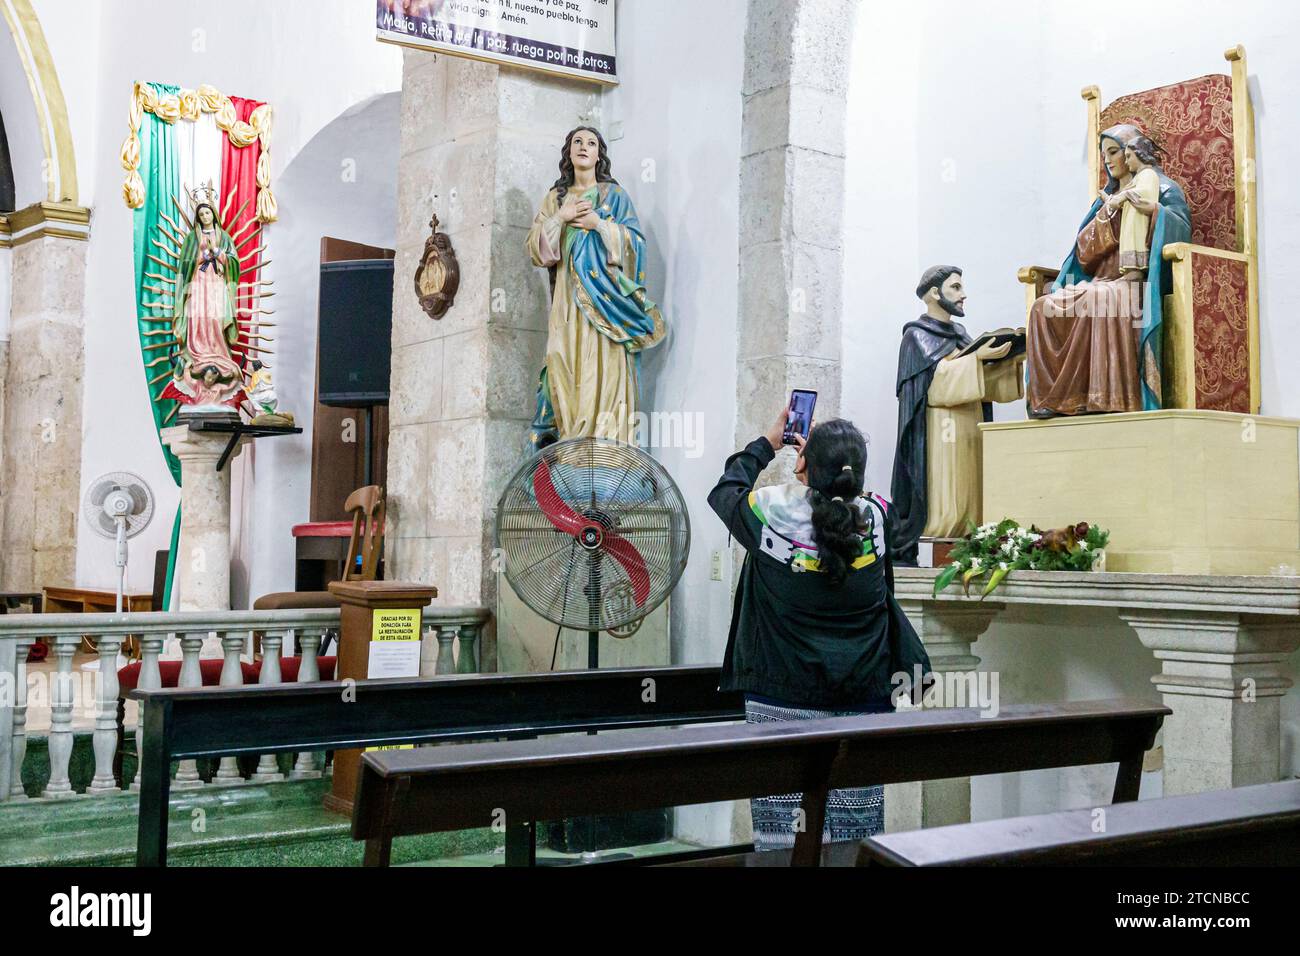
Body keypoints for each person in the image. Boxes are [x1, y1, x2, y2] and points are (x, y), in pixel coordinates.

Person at [708, 410, 931, 852]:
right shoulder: (878, 520)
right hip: (864, 701)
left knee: (784, 841)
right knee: (857, 836)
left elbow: (726, 492)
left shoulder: (769, 513)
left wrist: (768, 444)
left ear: (804, 465)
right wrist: (830, 460)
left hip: (782, 699)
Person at [1026, 125, 1191, 416]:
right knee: (1042, 309)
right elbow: (1084, 253)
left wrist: (1152, 212)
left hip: (1137, 280)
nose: (1109, 161)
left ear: (1133, 153)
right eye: (1104, 156)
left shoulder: (1163, 189)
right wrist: (1107, 220)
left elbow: (1181, 229)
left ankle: (1107, 399)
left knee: (1100, 301)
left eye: (1114, 152)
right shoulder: (1105, 200)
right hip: (1099, 278)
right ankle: (1057, 400)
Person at [526, 126, 667, 449]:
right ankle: (574, 448)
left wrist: (599, 225)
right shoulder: (555, 199)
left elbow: (636, 246)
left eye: (591, 143)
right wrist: (560, 218)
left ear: (599, 154)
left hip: (607, 306)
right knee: (563, 365)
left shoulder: (613, 197)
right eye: (577, 142)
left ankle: (606, 453)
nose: (583, 147)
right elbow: (536, 250)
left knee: (603, 372)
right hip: (567, 304)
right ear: (569, 153)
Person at [891, 265, 1024, 565]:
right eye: (955, 288)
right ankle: (943, 547)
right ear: (934, 293)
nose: (964, 295)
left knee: (970, 498)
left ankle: (968, 543)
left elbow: (980, 386)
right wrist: (976, 359)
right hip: (942, 434)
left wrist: (1007, 361)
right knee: (949, 500)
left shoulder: (961, 335)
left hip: (969, 429)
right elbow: (936, 387)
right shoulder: (916, 337)